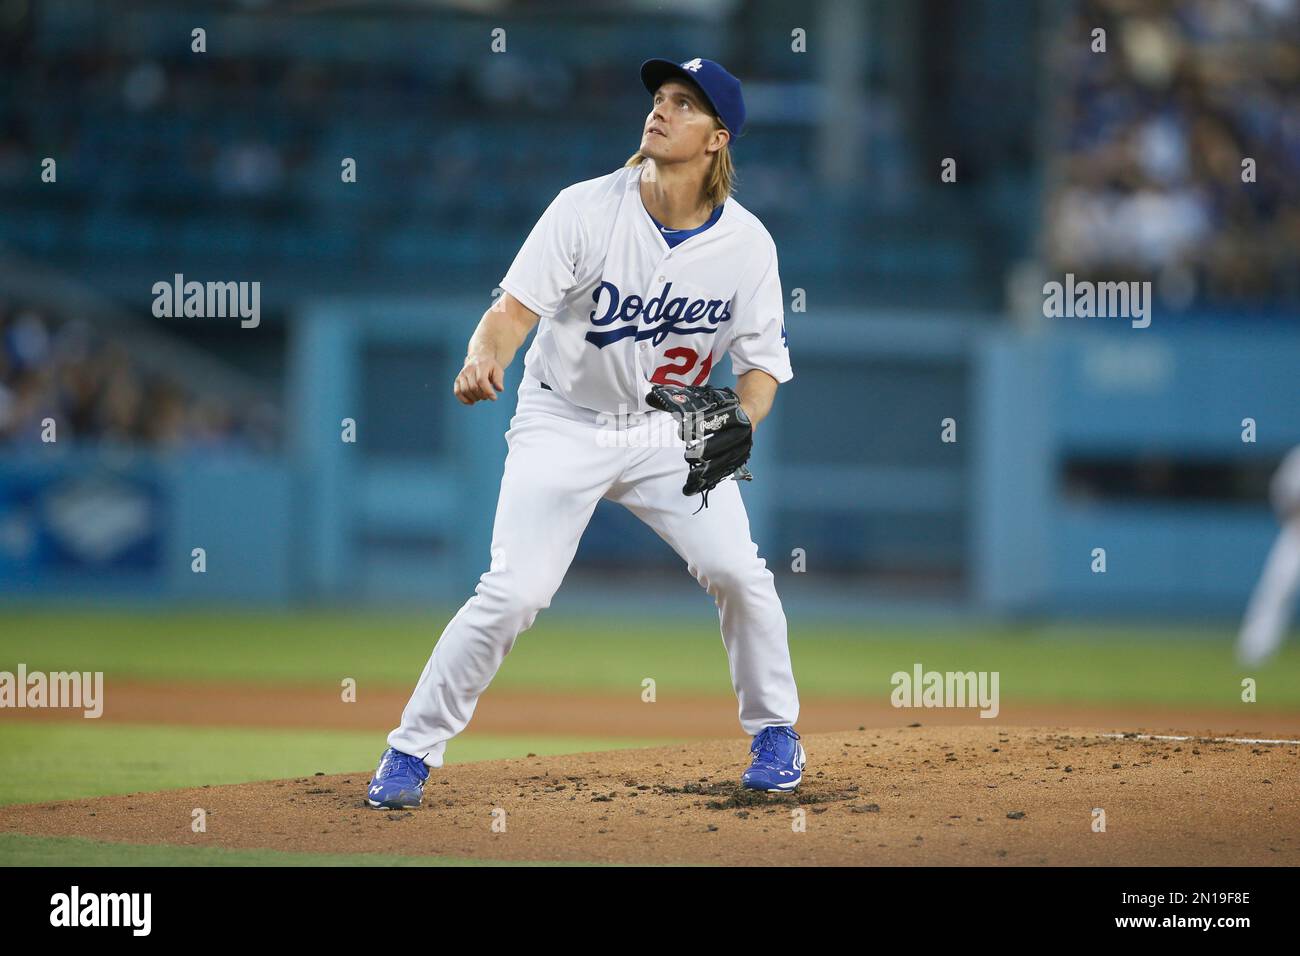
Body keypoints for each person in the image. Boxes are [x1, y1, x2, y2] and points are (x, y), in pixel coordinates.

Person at [367, 57, 803, 809]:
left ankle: (775, 734)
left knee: (740, 573)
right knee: (512, 594)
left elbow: (761, 369)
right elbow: (510, 314)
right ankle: (409, 751)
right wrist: (482, 355)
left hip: (667, 431)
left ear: (717, 138)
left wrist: (740, 417)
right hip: (562, 420)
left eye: (683, 104)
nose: (659, 110)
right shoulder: (584, 208)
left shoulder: (750, 246)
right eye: (659, 97)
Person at [1237, 446, 1300, 666]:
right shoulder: (1298, 457)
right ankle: (1255, 649)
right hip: (1296, 534)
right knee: (1276, 589)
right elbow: (1281, 490)